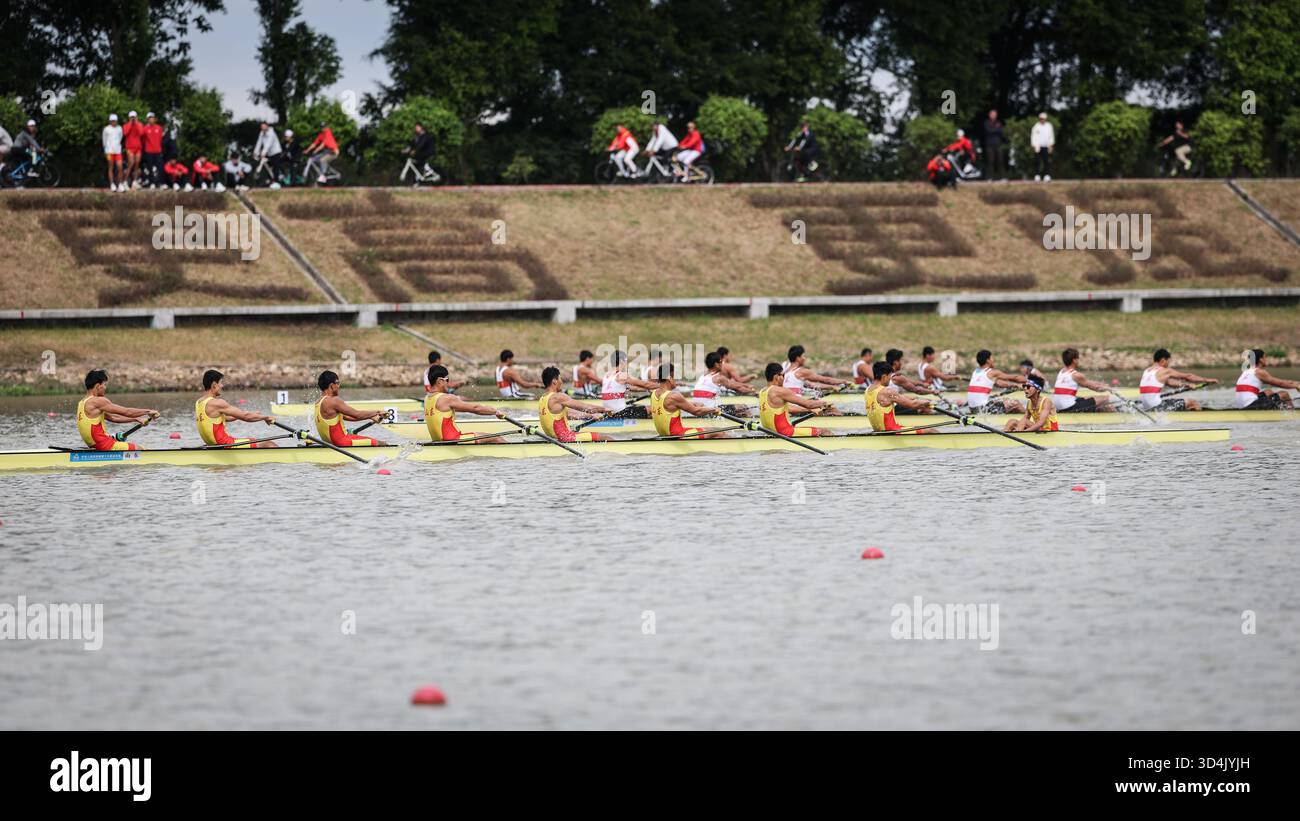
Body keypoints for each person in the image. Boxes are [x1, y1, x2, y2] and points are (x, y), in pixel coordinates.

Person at [76, 370, 160, 452]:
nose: (105, 388)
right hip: (105, 446)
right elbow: (127, 412)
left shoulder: (82, 403)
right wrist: (148, 411)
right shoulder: (97, 401)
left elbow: (113, 417)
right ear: (98, 386)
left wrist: (136, 419)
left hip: (96, 445)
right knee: (141, 449)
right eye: (105, 384)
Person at [424, 365, 508, 443]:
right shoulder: (446, 398)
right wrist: (495, 411)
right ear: (439, 381)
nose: (448, 384)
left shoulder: (427, 399)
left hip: (439, 441)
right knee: (497, 438)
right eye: (447, 380)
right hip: (455, 440)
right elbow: (476, 408)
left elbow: (464, 408)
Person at [195, 369, 279, 447]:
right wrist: (265, 417)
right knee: (269, 444)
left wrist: (251, 414)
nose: (222, 386)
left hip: (213, 445)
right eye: (220, 383)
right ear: (214, 385)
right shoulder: (217, 403)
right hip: (225, 445)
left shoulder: (199, 402)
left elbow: (225, 418)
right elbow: (246, 417)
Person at [758, 362, 842, 437]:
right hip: (785, 432)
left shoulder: (762, 391)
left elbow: (789, 408)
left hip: (769, 432)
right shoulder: (780, 391)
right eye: (783, 375)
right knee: (825, 431)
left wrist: (809, 410)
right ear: (777, 377)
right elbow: (808, 404)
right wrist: (826, 403)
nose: (784, 378)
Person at [651, 363, 725, 438]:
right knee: (719, 432)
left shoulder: (654, 393)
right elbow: (696, 412)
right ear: (669, 378)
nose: (677, 381)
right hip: (679, 436)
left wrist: (693, 403)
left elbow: (671, 405)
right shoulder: (674, 396)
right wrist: (713, 409)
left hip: (664, 435)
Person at [314, 370, 386, 446]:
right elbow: (357, 414)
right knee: (381, 444)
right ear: (332, 385)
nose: (339, 386)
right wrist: (378, 412)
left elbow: (348, 417)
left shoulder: (319, 402)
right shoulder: (333, 401)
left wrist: (371, 416)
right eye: (338, 383)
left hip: (329, 443)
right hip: (342, 441)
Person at [538, 366, 608, 442]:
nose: (561, 382)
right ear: (554, 381)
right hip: (565, 437)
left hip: (553, 438)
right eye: (560, 378)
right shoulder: (558, 397)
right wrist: (604, 409)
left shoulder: (542, 398)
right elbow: (586, 407)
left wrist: (591, 416)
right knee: (606, 437)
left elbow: (569, 414)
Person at [1139, 349, 1218, 411]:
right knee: (1192, 403)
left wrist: (1185, 385)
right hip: (1158, 407)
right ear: (1163, 360)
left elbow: (1169, 382)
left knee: (1178, 403)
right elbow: (1188, 376)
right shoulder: (1164, 370)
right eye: (1168, 362)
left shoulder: (1146, 371)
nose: (1168, 365)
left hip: (1147, 407)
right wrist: (1207, 380)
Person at [866, 361, 933, 431]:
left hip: (879, 430)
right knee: (931, 431)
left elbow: (900, 398)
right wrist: (926, 402)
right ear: (884, 377)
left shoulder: (868, 390)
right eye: (889, 377)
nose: (890, 380)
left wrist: (919, 401)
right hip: (893, 431)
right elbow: (912, 404)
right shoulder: (887, 391)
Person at [1053, 348, 1115, 413]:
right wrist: (1109, 389)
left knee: (1089, 398)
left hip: (1058, 407)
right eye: (1078, 359)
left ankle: (1100, 410)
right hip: (1069, 408)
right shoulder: (1076, 375)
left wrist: (1103, 385)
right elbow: (1095, 388)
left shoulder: (1061, 372)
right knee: (1106, 398)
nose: (1079, 361)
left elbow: (1089, 382)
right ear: (1074, 360)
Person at [966, 350, 1026, 414]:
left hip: (972, 409)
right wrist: (1028, 381)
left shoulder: (975, 372)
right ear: (988, 360)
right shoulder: (992, 373)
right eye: (992, 358)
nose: (993, 360)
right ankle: (1030, 416)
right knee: (1016, 403)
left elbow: (999, 383)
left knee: (1005, 400)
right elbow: (1014, 378)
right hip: (982, 408)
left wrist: (1015, 386)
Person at [783, 345, 847, 395]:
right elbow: (826, 380)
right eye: (803, 356)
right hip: (796, 404)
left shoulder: (785, 372)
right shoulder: (801, 371)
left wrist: (832, 387)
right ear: (798, 358)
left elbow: (812, 385)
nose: (805, 358)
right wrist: (845, 382)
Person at [122, 111, 144, 189]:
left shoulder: (140, 124)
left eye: (134, 117)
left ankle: (135, 182)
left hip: (138, 148)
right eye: (131, 117)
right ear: (129, 117)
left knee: (137, 164)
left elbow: (141, 133)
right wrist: (130, 123)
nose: (133, 118)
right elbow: (125, 133)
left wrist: (136, 123)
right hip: (130, 148)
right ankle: (124, 182)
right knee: (131, 163)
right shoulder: (126, 125)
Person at [142, 113, 164, 188]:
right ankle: (152, 183)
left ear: (155, 119)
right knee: (150, 168)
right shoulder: (145, 128)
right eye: (150, 118)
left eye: (152, 118)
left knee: (160, 168)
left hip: (158, 151)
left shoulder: (159, 128)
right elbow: (143, 140)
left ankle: (160, 183)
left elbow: (160, 139)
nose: (151, 119)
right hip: (149, 151)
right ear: (147, 119)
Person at [102, 113, 124, 192]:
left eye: (115, 121)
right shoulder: (106, 129)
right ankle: (112, 184)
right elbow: (104, 141)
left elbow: (120, 137)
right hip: (109, 151)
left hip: (118, 151)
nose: (113, 122)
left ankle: (120, 184)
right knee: (111, 167)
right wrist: (106, 150)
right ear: (110, 121)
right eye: (112, 121)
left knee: (120, 167)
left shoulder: (119, 128)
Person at [1030, 112, 1054, 181]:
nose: (1042, 120)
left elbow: (1051, 136)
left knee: (1046, 161)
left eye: (1043, 119)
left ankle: (1047, 175)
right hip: (1038, 147)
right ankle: (1037, 175)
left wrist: (1051, 145)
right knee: (1037, 162)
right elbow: (1033, 136)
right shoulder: (1036, 126)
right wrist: (1034, 145)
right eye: (1041, 119)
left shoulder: (1049, 126)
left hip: (1046, 146)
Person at [982, 109, 1004, 179]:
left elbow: (1001, 132)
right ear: (989, 115)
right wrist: (996, 130)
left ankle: (1002, 177)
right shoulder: (986, 123)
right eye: (992, 114)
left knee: (1000, 160)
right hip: (989, 144)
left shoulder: (999, 123)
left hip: (998, 144)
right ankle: (989, 177)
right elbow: (989, 131)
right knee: (990, 161)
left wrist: (994, 130)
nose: (993, 116)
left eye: (994, 114)